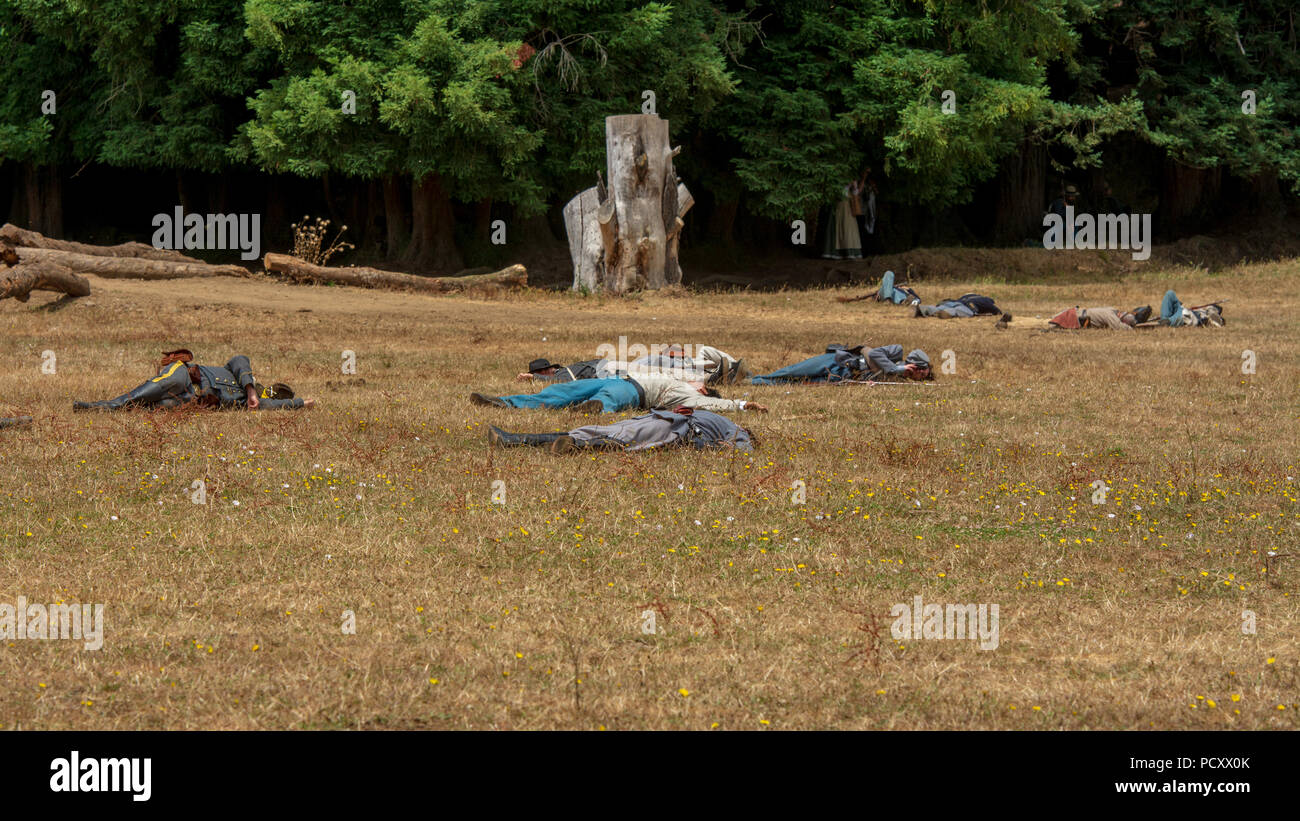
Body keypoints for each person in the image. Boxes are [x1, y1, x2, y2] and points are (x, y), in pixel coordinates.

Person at [73, 349, 313, 411]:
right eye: (270, 391)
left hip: (191, 399)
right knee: (156, 388)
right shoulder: (241, 374)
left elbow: (273, 406)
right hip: (185, 375)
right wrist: (250, 389)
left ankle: (112, 410)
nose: (267, 396)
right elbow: (240, 358)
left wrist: (300, 403)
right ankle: (107, 405)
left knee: (151, 408)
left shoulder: (247, 405)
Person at [487, 407, 755, 454]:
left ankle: (514, 440)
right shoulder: (732, 427)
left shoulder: (726, 424)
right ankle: (573, 445)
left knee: (598, 431)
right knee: (612, 436)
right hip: (667, 425)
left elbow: (745, 447)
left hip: (661, 421)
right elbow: (744, 447)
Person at [472, 373, 768, 414]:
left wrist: (741, 404)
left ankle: (596, 408)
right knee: (560, 393)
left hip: (631, 390)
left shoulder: (694, 396)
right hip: (615, 378)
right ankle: (506, 402)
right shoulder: (677, 379)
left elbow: (716, 405)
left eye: (699, 381)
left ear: (703, 389)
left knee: (608, 401)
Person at [750, 344, 932, 384]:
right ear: (915, 365)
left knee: (793, 383)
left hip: (841, 379)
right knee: (790, 372)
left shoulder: (900, 382)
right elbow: (875, 353)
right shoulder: (897, 352)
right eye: (921, 374)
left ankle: (754, 382)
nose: (918, 378)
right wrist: (895, 368)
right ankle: (752, 378)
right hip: (838, 362)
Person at [820, 181, 863, 260]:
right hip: (839, 209)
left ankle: (850, 252)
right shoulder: (836, 182)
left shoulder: (850, 186)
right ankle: (836, 252)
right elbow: (839, 194)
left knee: (849, 230)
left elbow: (855, 194)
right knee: (840, 229)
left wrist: (854, 187)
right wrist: (848, 185)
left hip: (849, 210)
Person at [1159, 290, 1225, 327]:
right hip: (1182, 311)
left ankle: (1167, 320)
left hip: (1188, 316)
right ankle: (1167, 319)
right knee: (1170, 294)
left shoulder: (1208, 315)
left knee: (1185, 314)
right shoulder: (1206, 311)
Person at [914, 293, 1005, 319]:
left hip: (953, 302)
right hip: (965, 307)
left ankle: (924, 309)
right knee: (957, 311)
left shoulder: (967, 296)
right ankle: (946, 314)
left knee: (939, 308)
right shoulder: (986, 300)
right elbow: (997, 311)